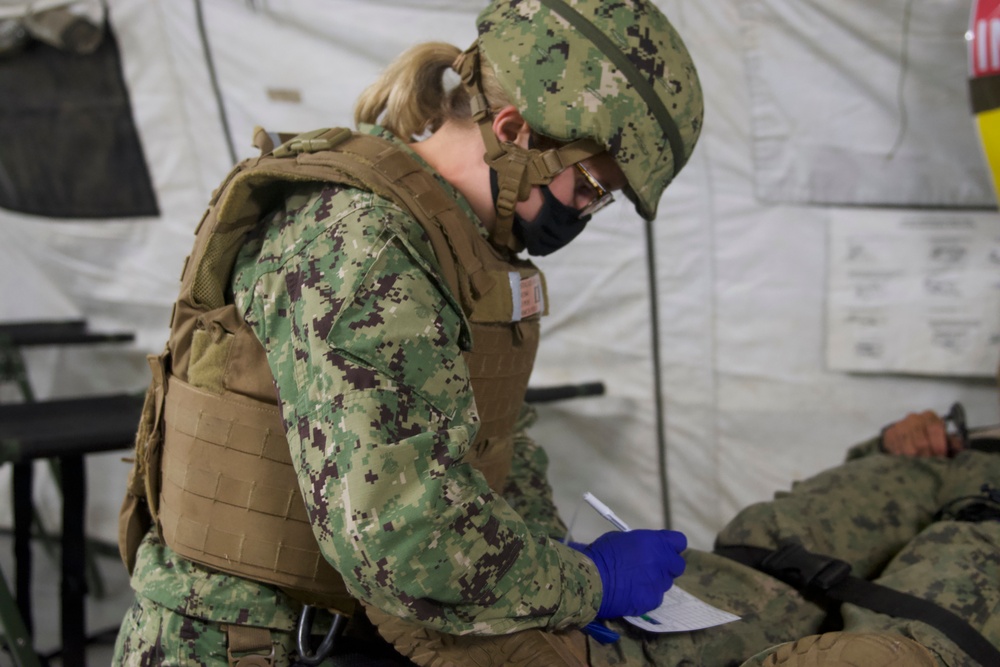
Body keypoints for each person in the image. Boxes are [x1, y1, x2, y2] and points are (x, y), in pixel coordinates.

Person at [112, 0, 704, 665]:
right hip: (242, 646)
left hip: (349, 637)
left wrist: (543, 570)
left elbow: (496, 433)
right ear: (514, 131)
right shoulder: (361, 243)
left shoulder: (460, 249)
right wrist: (586, 584)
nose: (588, 210)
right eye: (594, 187)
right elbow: (400, 536)